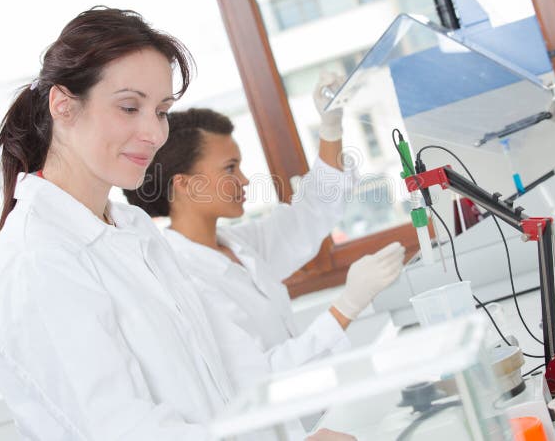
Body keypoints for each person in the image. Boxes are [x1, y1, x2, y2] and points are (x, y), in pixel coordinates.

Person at [0, 7, 239, 440]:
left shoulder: (131, 226)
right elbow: (122, 429)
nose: (154, 133)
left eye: (162, 111)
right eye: (130, 107)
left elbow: (213, 382)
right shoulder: (37, 261)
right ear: (63, 105)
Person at [124, 77, 406, 403]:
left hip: (317, 410)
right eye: (230, 168)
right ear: (185, 185)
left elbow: (311, 211)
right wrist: (347, 306)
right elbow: (260, 376)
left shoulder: (238, 243)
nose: (245, 180)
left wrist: (330, 128)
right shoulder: (182, 279)